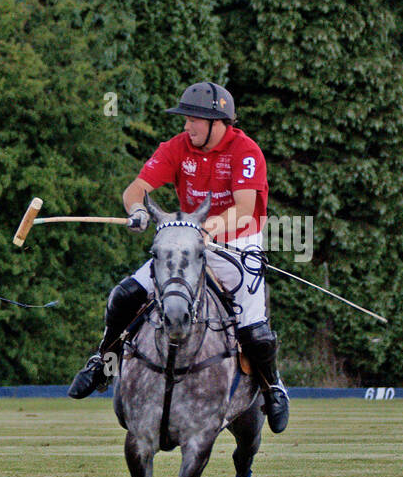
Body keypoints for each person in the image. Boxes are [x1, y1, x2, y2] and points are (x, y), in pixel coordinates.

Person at [67, 81, 289, 433]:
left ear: (219, 122)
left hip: (237, 244)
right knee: (124, 295)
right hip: (188, 247)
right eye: (186, 119)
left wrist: (209, 228)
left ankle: (272, 385)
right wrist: (138, 209)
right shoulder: (177, 148)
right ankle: (102, 362)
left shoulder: (246, 152)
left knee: (255, 331)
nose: (187, 126)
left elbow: (246, 208)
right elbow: (135, 189)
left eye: (195, 120)